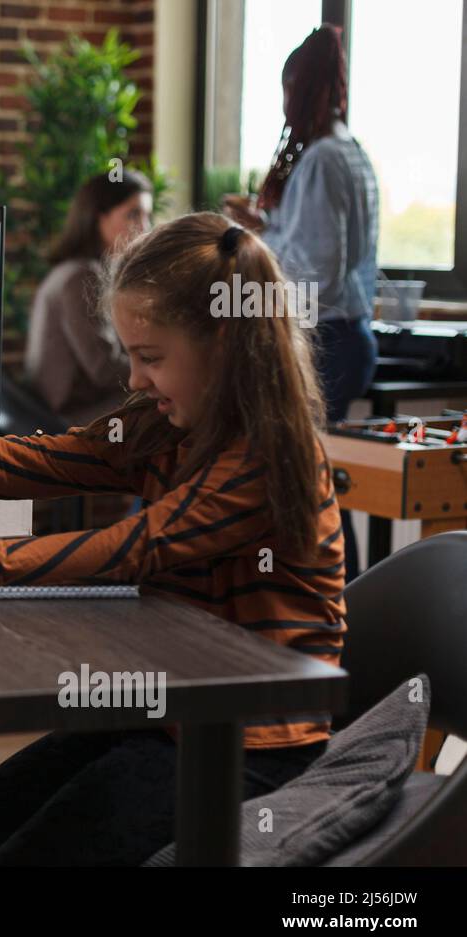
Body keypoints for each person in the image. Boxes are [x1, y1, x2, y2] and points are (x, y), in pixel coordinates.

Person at [0, 213, 343, 865]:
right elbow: (55, 456)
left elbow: (138, 546)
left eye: (151, 358)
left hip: (252, 737)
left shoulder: (266, 455)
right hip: (167, 706)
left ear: (223, 346)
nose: (136, 380)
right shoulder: (170, 422)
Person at [223, 24, 379, 581]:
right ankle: (345, 589)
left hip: (327, 340)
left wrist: (254, 244)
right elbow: (326, 250)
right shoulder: (352, 153)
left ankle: (328, 587)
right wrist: (268, 225)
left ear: (299, 88)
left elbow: (315, 275)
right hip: (353, 337)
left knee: (302, 475)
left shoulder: (319, 161)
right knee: (316, 472)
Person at [24, 170, 153, 425]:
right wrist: (162, 364)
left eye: (147, 215)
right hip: (72, 417)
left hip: (70, 408)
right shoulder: (83, 276)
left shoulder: (71, 270)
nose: (145, 227)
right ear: (98, 217)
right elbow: (104, 370)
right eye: (133, 214)